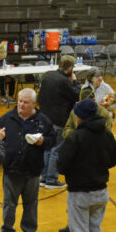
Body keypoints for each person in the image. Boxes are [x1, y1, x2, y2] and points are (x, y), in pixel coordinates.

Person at [56, 98, 116, 232]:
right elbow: (114, 159)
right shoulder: (106, 134)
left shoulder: (76, 137)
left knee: (80, 229)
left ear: (80, 117)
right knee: (95, 228)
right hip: (101, 190)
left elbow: (61, 164)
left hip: (80, 191)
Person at [0, 88, 56, 232]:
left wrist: (44, 142)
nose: (21, 105)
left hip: (32, 170)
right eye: (20, 101)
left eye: (25, 102)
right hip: (11, 169)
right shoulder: (7, 118)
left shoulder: (43, 120)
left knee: (31, 203)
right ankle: (7, 231)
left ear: (33, 104)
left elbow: (53, 140)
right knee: (9, 203)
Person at [37, 54, 80, 189]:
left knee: (47, 148)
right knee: (56, 149)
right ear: (70, 68)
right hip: (58, 118)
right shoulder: (63, 81)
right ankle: (51, 179)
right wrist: (75, 82)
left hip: (45, 117)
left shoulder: (48, 76)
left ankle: (44, 177)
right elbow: (76, 95)